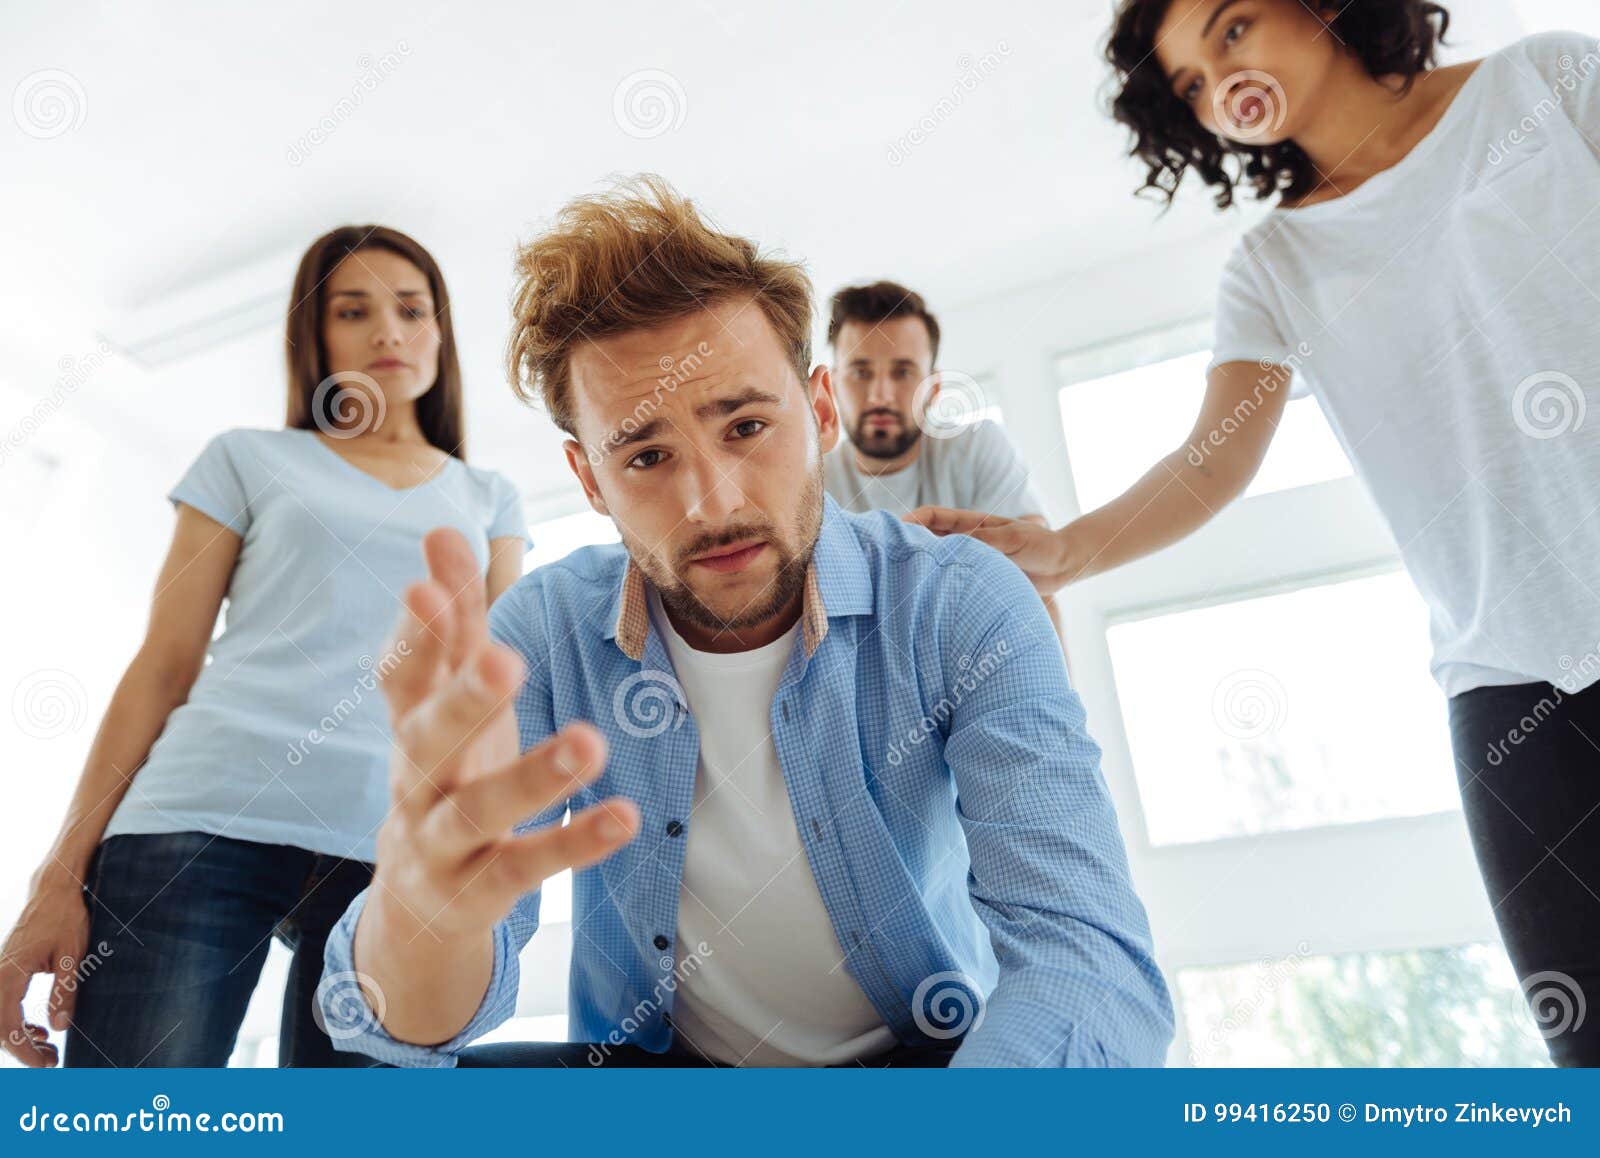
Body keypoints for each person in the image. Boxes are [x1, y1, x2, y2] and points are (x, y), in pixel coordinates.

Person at [319, 176, 1174, 1068]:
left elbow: (1088, 962)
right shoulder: (539, 635)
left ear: (818, 412)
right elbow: (388, 1024)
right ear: (588, 481)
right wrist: (421, 921)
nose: (710, 502)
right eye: (646, 455)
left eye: (746, 427)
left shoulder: (960, 603)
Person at [911, 1, 1600, 1066]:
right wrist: (1062, 550)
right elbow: (1209, 462)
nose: (1215, 80)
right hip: (1512, 688)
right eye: (1187, 81)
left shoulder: (1544, 84)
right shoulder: (1275, 267)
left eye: (1229, 28)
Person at [0, 226, 530, 1068]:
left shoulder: (489, 498)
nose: (388, 331)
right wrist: (56, 877)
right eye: (353, 311)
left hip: (390, 855)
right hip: (198, 819)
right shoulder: (247, 459)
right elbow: (164, 666)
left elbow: (493, 693)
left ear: (441, 332)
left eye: (411, 309)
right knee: (132, 1125)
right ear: (315, 338)